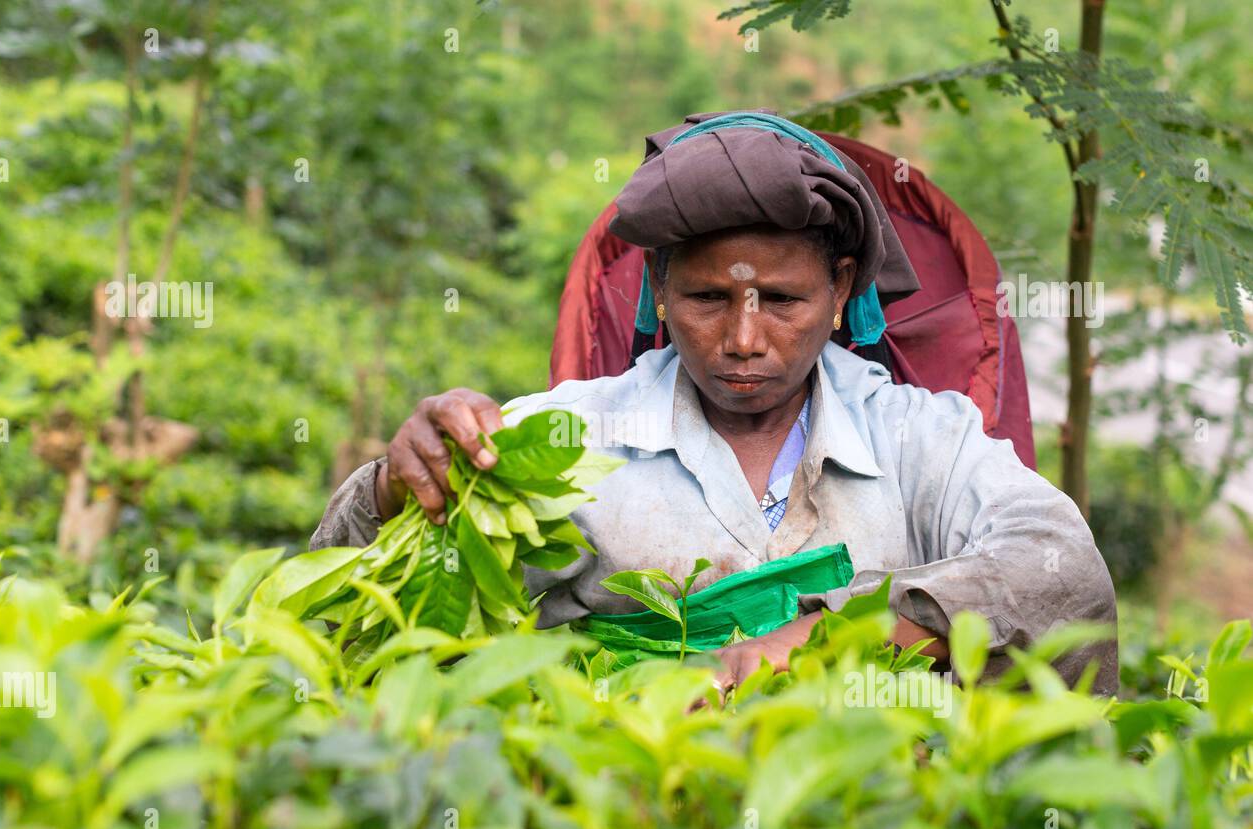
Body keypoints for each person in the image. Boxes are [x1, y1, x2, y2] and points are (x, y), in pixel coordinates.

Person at [312, 111, 1118, 694]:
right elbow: (348, 611)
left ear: (841, 290)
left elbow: (1060, 565)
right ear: (658, 290)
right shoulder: (570, 434)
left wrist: (849, 634)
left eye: (782, 299)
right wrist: (394, 486)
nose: (743, 338)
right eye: (705, 298)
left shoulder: (919, 437)